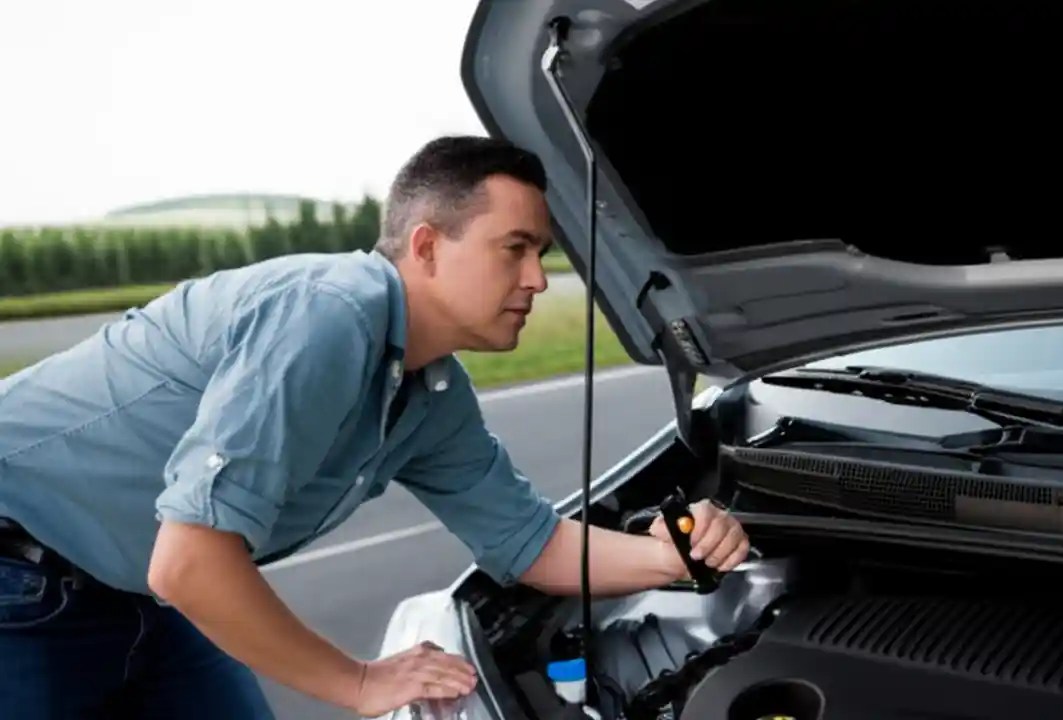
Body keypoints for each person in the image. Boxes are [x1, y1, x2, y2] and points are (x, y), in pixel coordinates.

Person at [0, 136, 752, 719]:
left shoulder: (434, 393)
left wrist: (676, 557)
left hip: (130, 593)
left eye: (542, 256)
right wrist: (360, 682)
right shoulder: (329, 312)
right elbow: (191, 562)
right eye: (515, 250)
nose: (536, 280)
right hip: (19, 576)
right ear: (425, 246)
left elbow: (533, 544)